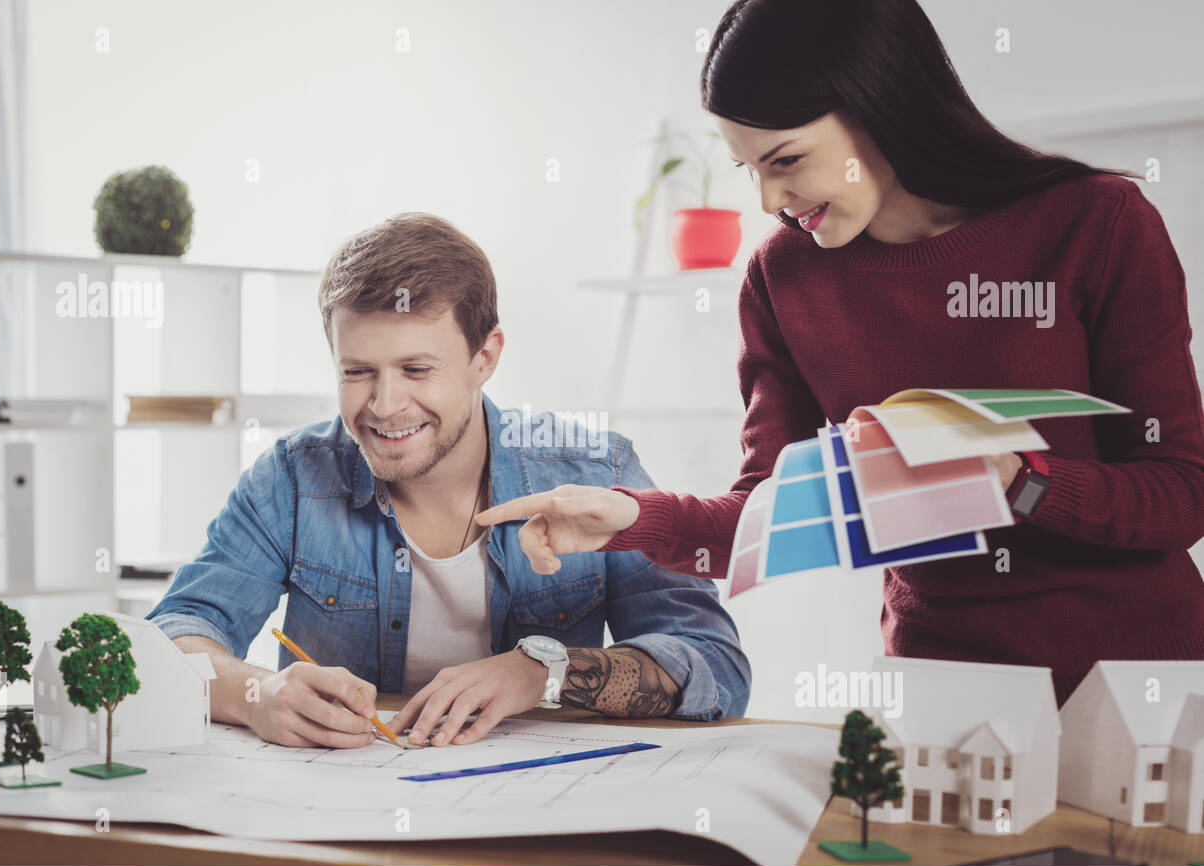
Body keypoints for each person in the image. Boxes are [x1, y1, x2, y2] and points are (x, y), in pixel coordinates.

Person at [475, 0, 1204, 707]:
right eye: (747, 169)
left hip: (1137, 688)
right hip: (943, 689)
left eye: (786, 160)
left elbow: (1182, 494)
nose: (769, 199)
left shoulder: (1095, 224)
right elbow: (763, 517)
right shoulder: (782, 278)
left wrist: (1019, 481)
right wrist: (630, 519)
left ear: (882, 105)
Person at [148, 213, 749, 749]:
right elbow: (175, 634)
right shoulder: (293, 477)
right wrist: (257, 693)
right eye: (357, 371)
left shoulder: (595, 470)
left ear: (485, 357)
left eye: (416, 369)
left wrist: (541, 673)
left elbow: (716, 666)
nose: (384, 406)